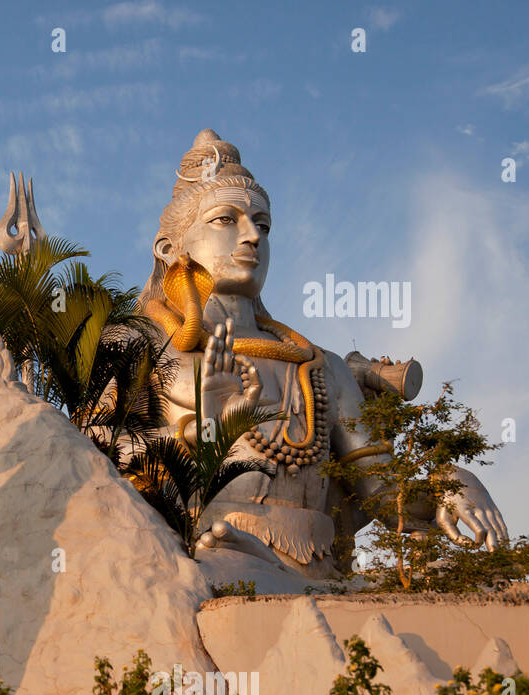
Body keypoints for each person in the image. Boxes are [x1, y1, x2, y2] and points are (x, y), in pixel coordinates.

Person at [137, 129, 507, 579]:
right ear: (169, 248)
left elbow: (385, 497)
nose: (253, 236)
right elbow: (99, 463)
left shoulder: (320, 366)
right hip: (202, 561)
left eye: (263, 224)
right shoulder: (141, 343)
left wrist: (451, 481)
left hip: (316, 573)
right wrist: (206, 431)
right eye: (225, 220)